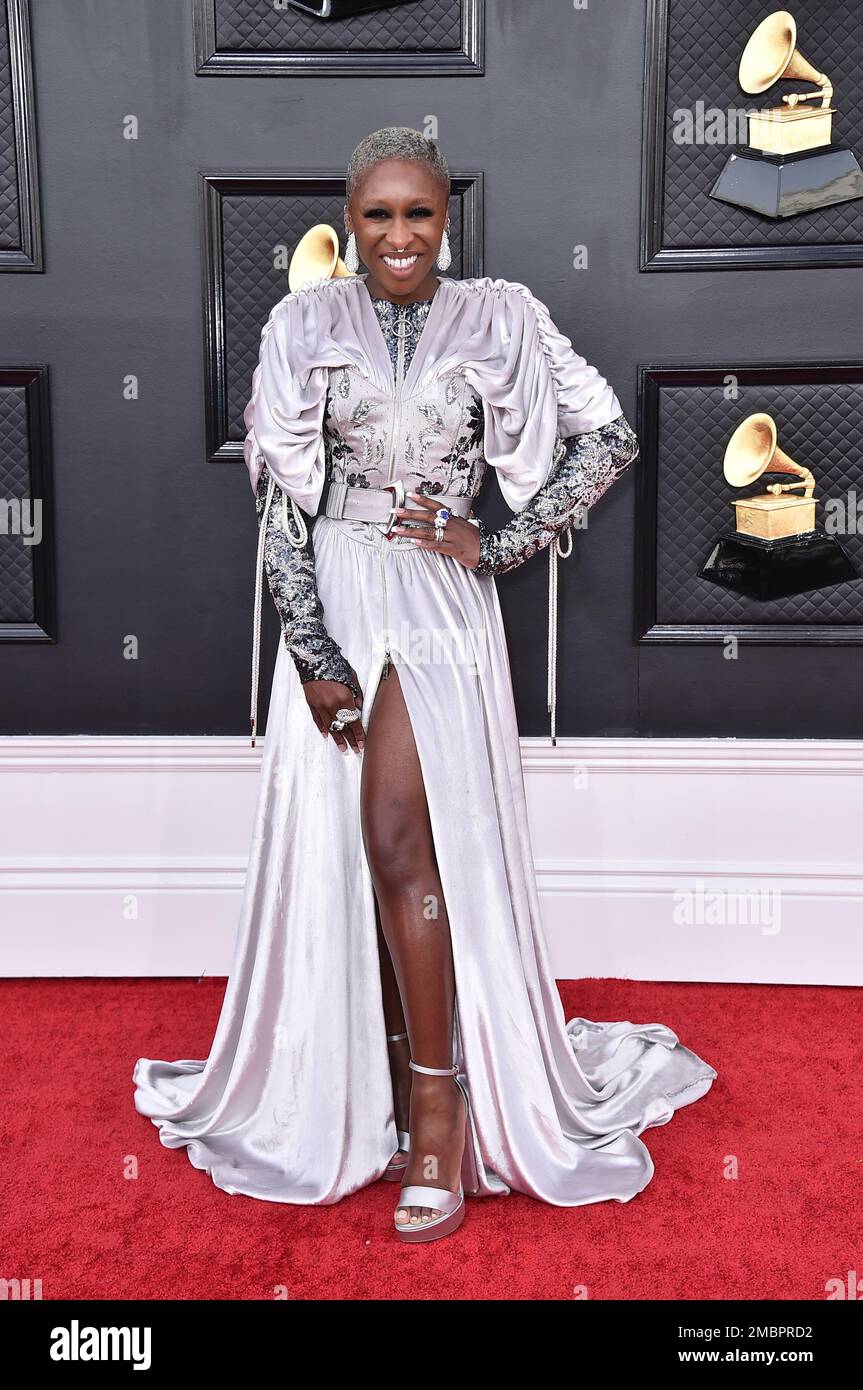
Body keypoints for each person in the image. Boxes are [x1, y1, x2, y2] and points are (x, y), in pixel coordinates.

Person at [133, 127, 716, 1245]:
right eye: (376, 215)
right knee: (360, 849)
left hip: (442, 608)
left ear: (448, 218)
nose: (398, 236)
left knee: (407, 837)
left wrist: (495, 542)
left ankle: (438, 1106)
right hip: (339, 594)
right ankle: (378, 1083)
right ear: (348, 221)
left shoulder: (501, 313)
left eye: (419, 214)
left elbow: (609, 434)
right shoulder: (299, 324)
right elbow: (280, 506)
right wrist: (310, 653)